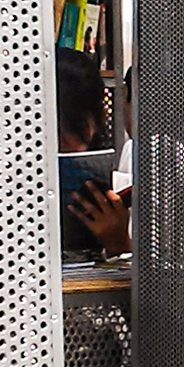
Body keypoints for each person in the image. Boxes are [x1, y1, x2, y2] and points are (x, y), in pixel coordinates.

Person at [58, 49, 131, 258]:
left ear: (101, 114)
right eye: (54, 130)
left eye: (76, 127)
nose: (66, 141)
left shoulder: (124, 157)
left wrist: (118, 242)